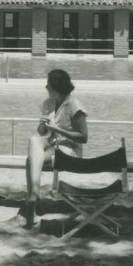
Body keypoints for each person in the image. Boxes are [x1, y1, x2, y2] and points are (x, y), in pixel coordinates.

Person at [19, 68, 87, 229]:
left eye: (48, 84)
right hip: (52, 146)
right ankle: (34, 194)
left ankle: (32, 201)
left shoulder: (74, 105)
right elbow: (43, 133)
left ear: (57, 86)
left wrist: (57, 130)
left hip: (69, 150)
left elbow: (83, 137)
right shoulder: (47, 104)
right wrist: (43, 126)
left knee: (31, 161)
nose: (46, 87)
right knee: (34, 139)